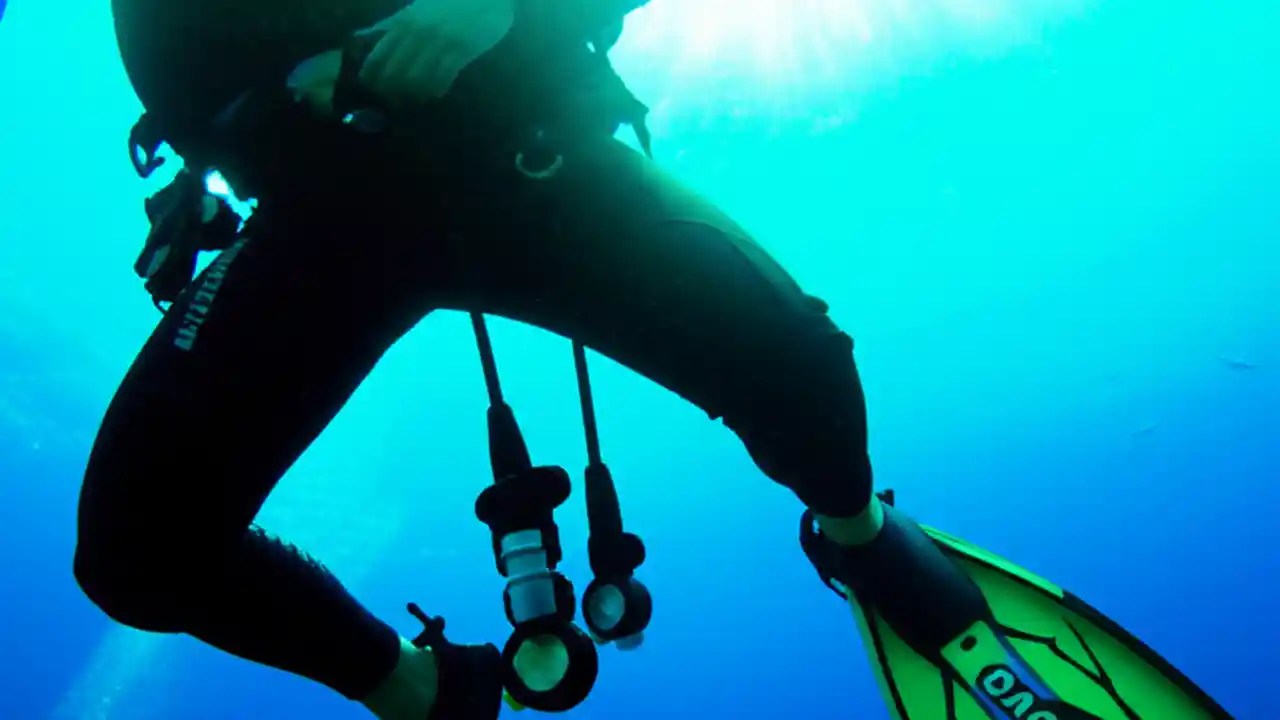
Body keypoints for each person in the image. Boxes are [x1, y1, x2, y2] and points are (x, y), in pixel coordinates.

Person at [75, 1, 1235, 719]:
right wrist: (226, 148)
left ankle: (857, 535)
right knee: (137, 552)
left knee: (798, 364)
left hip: (530, 169)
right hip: (322, 227)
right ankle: (425, 694)